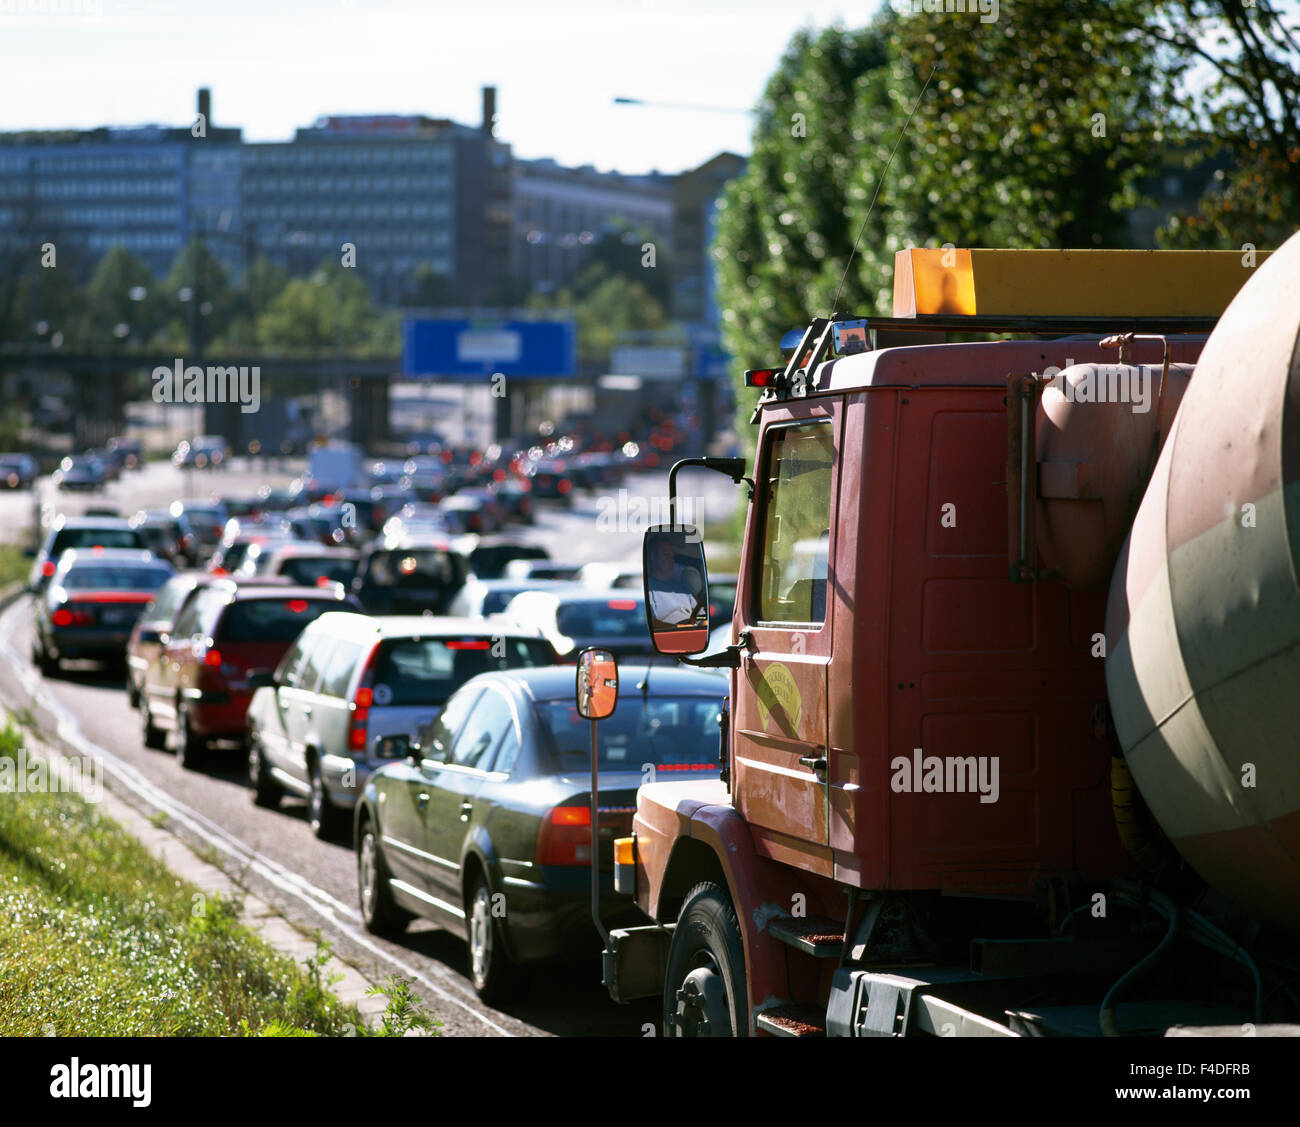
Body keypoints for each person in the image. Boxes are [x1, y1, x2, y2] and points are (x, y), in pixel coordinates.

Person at [647, 538, 705, 630]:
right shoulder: (647, 589)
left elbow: (701, 616)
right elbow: (649, 622)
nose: (672, 560)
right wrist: (677, 628)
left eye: (673, 556)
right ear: (653, 557)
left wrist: (704, 623)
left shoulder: (683, 589)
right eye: (666, 555)